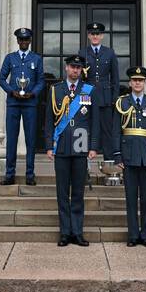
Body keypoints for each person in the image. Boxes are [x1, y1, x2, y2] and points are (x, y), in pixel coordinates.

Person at [48, 53, 100, 246]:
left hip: (81, 145)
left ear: (81, 70)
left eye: (78, 68)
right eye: (72, 67)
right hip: (61, 145)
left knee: (78, 192)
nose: (75, 70)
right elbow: (48, 119)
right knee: (62, 192)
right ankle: (64, 233)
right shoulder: (56, 89)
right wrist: (48, 145)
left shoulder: (90, 90)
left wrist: (93, 146)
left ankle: (77, 232)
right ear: (66, 68)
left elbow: (95, 121)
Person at [115, 66, 146, 247]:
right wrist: (117, 155)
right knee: (130, 198)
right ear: (130, 82)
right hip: (128, 156)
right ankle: (133, 235)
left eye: (141, 80)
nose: (137, 83)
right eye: (135, 80)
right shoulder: (122, 102)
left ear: (145, 83)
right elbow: (116, 130)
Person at [0, 26, 44, 186]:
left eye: (26, 39)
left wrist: (34, 93)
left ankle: (30, 174)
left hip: (30, 103)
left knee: (31, 140)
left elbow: (41, 81)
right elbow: (2, 79)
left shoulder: (36, 59)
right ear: (17, 41)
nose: (24, 42)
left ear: (30, 41)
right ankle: (9, 174)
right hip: (13, 103)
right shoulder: (10, 58)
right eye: (21, 39)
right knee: (11, 139)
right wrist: (12, 92)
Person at [84, 21, 121, 167]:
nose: (95, 36)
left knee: (107, 132)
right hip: (88, 96)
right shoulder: (83, 52)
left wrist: (115, 98)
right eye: (92, 34)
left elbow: (116, 78)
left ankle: (109, 165)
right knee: (87, 129)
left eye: (97, 34)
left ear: (102, 36)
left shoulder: (109, 52)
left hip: (106, 97)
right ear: (88, 36)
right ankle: (84, 167)